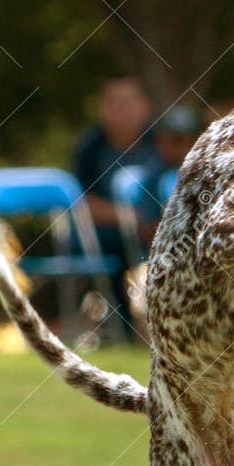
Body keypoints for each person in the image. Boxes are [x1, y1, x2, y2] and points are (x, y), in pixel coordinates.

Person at [73, 76, 156, 330]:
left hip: (159, 228)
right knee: (110, 248)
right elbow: (80, 201)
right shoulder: (90, 148)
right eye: (114, 103)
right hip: (108, 234)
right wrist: (129, 218)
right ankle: (123, 328)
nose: (123, 110)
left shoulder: (160, 142)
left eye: (129, 102)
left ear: (145, 106)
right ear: (102, 109)